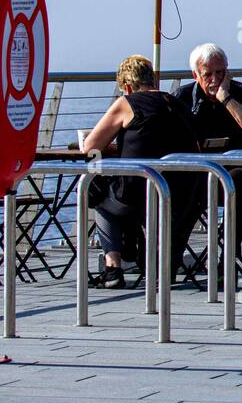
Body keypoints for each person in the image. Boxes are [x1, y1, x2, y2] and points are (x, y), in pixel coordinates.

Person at [82, 55, 202, 289]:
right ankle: (136, 247)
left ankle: (112, 268)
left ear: (127, 86)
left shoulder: (127, 103)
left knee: (96, 194)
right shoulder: (177, 102)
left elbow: (90, 147)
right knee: (118, 195)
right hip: (183, 194)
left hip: (140, 192)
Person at [175, 44, 242, 265]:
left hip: (234, 173)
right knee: (180, 191)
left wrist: (226, 99)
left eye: (220, 72)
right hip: (196, 174)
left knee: (239, 182)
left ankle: (228, 257)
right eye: (208, 74)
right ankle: (171, 258)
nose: (215, 79)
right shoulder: (183, 98)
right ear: (195, 75)